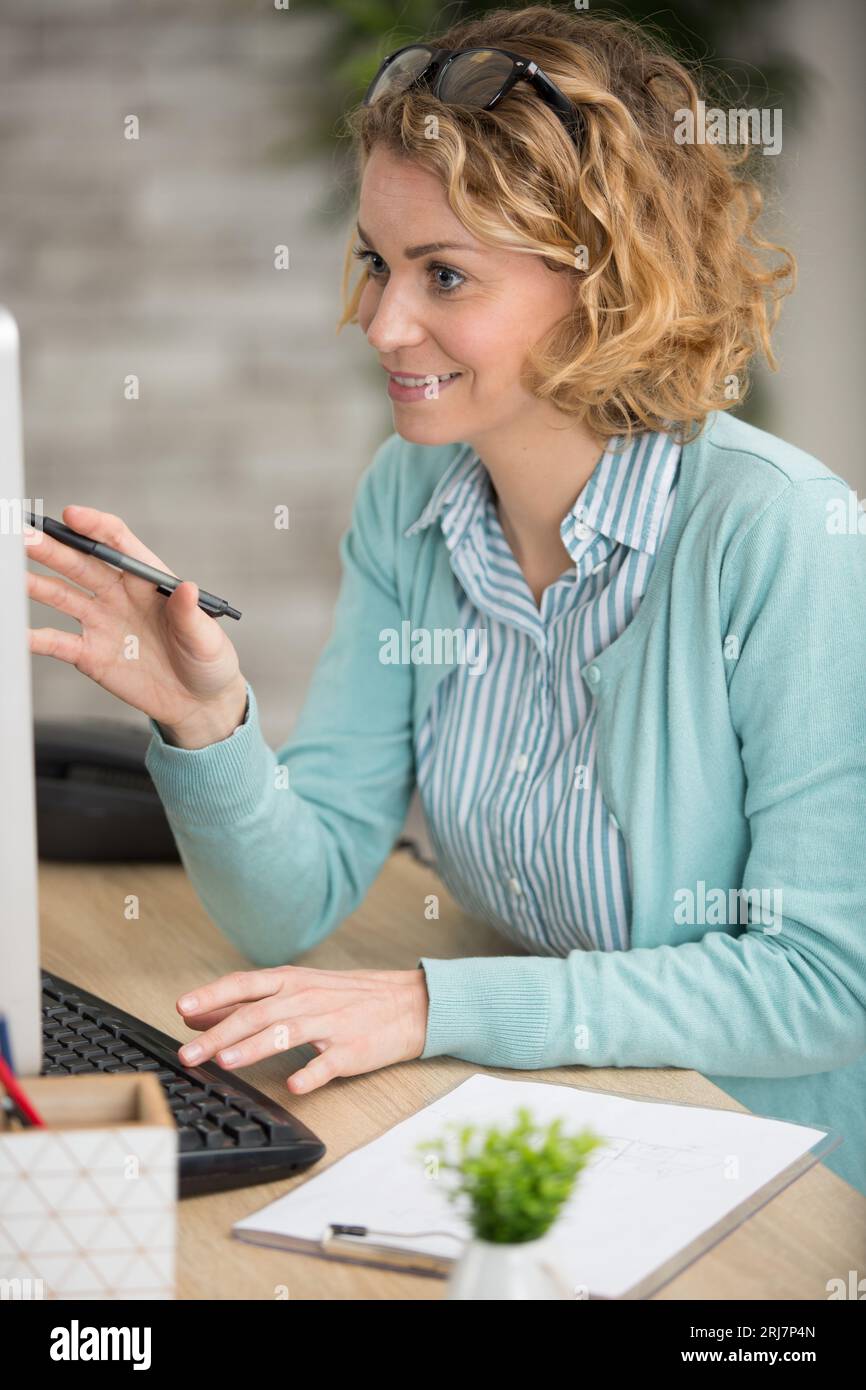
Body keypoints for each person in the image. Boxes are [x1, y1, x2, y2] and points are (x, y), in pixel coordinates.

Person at [26, 6, 866, 1194]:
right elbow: (294, 901)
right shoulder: (410, 496)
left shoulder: (776, 535)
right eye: (378, 259)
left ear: (606, 286)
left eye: (446, 275)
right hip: (550, 1128)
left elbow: (824, 986)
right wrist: (204, 720)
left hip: (769, 1180)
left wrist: (432, 1001)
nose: (382, 323)